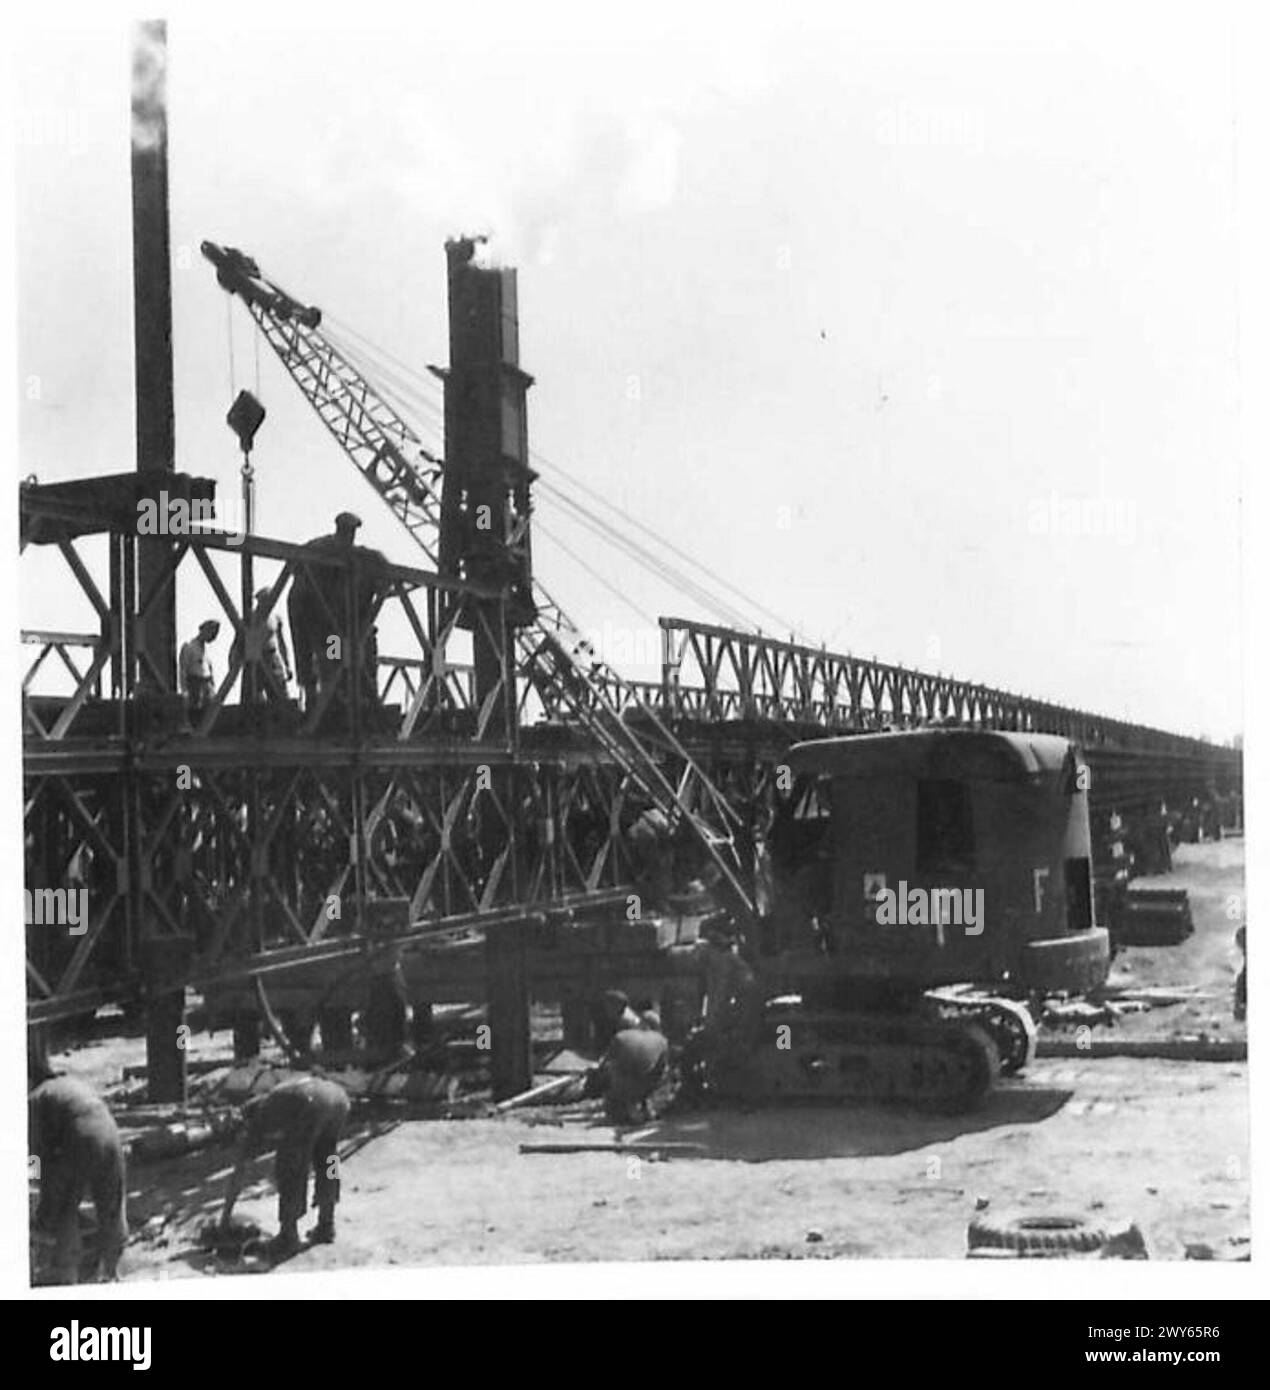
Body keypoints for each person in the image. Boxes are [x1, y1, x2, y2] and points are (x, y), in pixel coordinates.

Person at [220, 1076, 351, 1259]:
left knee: (291, 1167)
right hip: (338, 1099)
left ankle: (288, 1236)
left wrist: (225, 1219)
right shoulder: (273, 1099)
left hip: (310, 1103)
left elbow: (240, 1169)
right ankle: (326, 1225)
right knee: (329, 1160)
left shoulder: (259, 1118)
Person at [28, 1076, 128, 1284]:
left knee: (65, 1204)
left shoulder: (33, 1102)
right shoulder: (63, 1087)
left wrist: (35, 1186)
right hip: (110, 1130)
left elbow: (36, 1153)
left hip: (81, 1133)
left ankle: (65, 1273)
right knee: (112, 1203)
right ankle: (112, 1271)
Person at [587, 1015, 670, 1124]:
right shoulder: (662, 1040)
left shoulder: (621, 1036)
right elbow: (664, 1067)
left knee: (608, 1072)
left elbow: (604, 1064)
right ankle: (646, 1107)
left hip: (624, 1085)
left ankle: (619, 1110)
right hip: (648, 1085)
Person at [178, 619, 220, 713]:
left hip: (207, 686)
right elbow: (183, 669)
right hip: (195, 685)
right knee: (195, 712)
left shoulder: (206, 653)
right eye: (210, 632)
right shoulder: (189, 647)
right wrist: (184, 690)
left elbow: (209, 671)